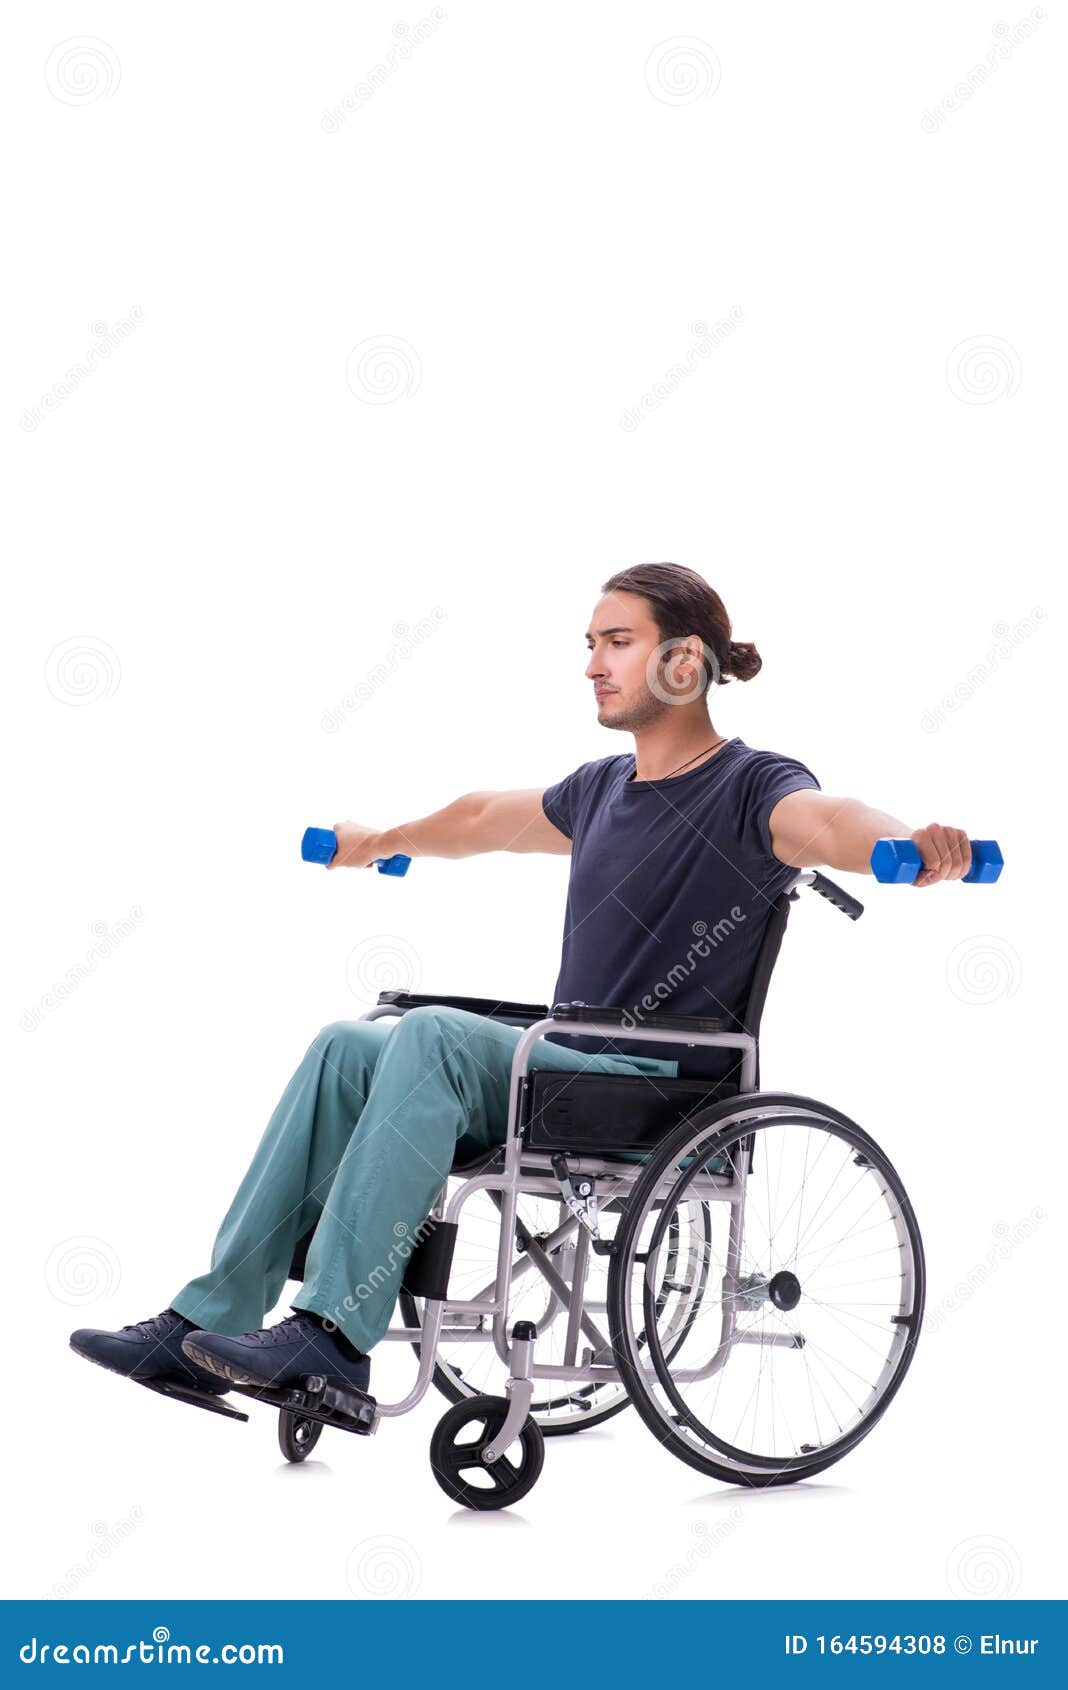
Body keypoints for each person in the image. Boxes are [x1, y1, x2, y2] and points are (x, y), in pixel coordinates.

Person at [70, 562, 974, 1406]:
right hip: (566, 1065)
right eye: (589, 644)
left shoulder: (749, 787)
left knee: (432, 1036)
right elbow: (480, 818)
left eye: (616, 641)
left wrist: (912, 844)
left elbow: (833, 818)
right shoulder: (601, 789)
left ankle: (332, 1340)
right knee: (347, 1043)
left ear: (684, 661)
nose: (592, 665)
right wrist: (377, 842)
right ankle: (209, 1319)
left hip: (659, 1087)